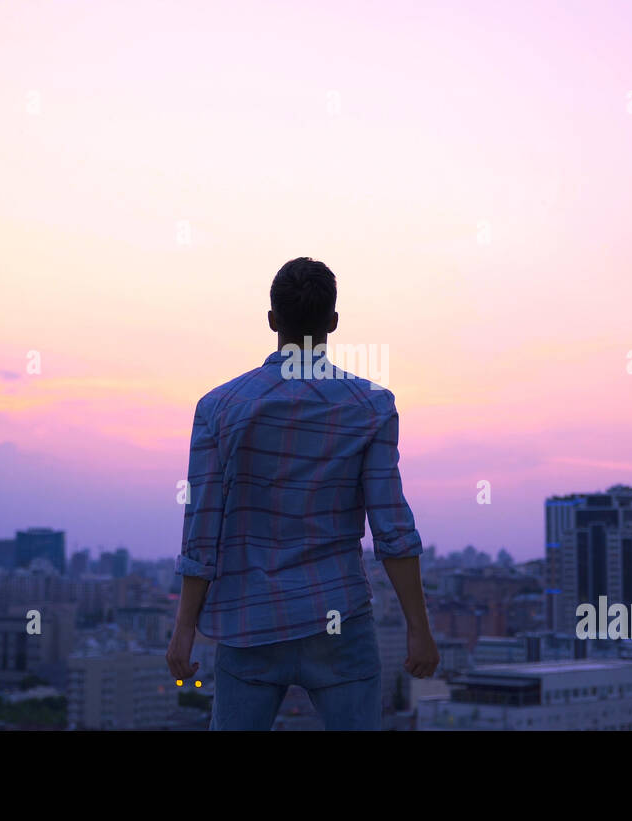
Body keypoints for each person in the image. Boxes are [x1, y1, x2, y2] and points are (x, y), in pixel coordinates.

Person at [166, 257, 439, 730]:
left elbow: (202, 525)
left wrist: (184, 629)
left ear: (272, 320)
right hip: (338, 620)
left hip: (247, 622)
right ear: (333, 322)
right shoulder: (370, 407)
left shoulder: (219, 408)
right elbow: (393, 528)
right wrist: (419, 628)